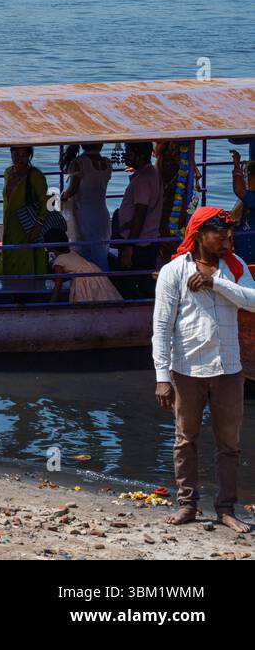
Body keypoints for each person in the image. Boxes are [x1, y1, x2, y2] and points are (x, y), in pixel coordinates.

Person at [153, 207, 255, 532]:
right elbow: (162, 327)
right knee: (185, 440)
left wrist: (216, 284)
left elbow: (253, 301)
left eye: (229, 234)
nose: (227, 239)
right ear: (199, 235)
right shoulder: (173, 272)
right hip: (187, 369)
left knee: (229, 444)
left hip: (229, 368)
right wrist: (162, 377)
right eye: (219, 234)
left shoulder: (234, 268)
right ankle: (187, 505)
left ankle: (226, 508)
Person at [114, 141, 162, 297]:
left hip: (139, 242)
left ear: (140, 157)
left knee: (130, 283)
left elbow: (140, 214)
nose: (125, 156)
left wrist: (129, 246)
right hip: (147, 238)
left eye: (129, 153)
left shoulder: (143, 179)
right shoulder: (152, 173)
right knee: (144, 280)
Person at [0, 145, 49, 297]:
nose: (19, 158)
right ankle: (13, 293)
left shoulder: (35, 175)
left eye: (23, 155)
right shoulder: (8, 172)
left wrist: (38, 226)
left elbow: (47, 202)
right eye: (15, 154)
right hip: (10, 226)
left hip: (28, 226)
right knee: (11, 258)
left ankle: (27, 295)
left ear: (29, 156)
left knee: (27, 259)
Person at [61, 143, 112, 271]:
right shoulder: (107, 163)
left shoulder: (79, 163)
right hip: (102, 212)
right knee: (101, 250)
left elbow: (72, 189)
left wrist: (63, 196)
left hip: (84, 214)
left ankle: (88, 283)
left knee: (85, 251)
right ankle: (102, 280)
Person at [45, 228, 121, 304]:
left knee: (85, 301)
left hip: (83, 280)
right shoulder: (71, 252)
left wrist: (51, 302)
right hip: (94, 272)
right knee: (101, 296)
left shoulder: (59, 262)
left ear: (50, 245)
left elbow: (58, 284)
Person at [229, 151, 255, 265]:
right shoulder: (248, 198)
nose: (247, 181)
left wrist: (236, 165)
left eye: (249, 177)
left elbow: (239, 190)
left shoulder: (251, 198)